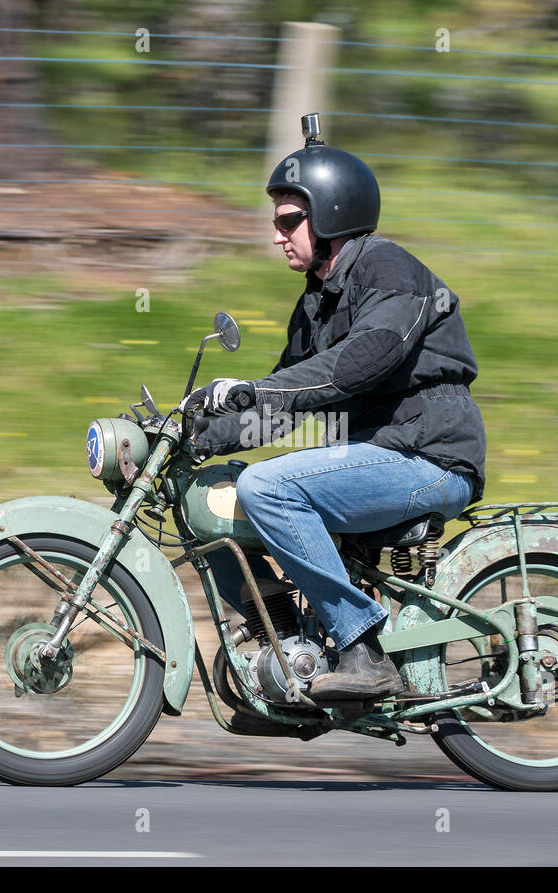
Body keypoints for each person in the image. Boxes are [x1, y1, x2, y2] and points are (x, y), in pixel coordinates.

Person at [185, 116, 487, 702]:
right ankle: (280, 639)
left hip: (428, 457)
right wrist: (197, 433)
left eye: (289, 221)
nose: (278, 236)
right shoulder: (317, 304)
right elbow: (286, 404)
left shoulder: (389, 270)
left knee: (268, 489)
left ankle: (362, 648)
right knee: (209, 494)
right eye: (277, 223)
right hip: (372, 456)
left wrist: (246, 389)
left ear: (331, 214)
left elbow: (358, 366)